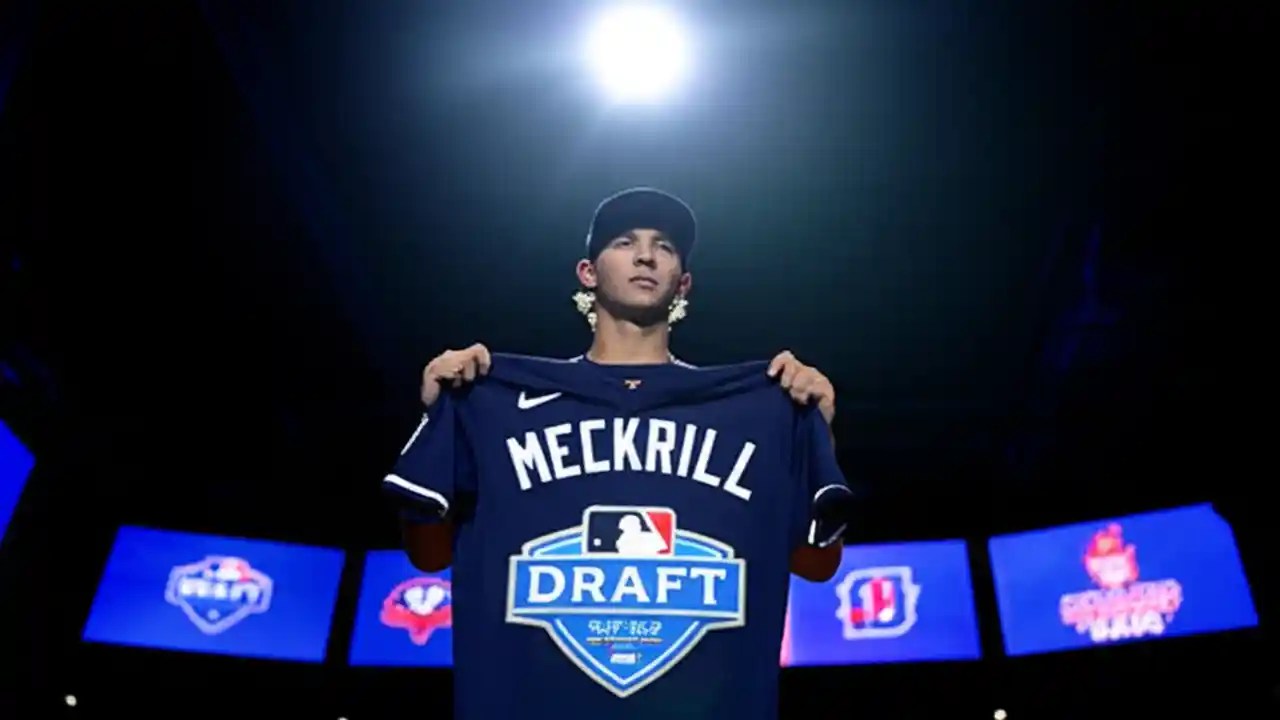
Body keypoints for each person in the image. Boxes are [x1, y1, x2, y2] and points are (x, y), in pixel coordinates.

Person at [384, 187, 854, 719]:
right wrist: (437, 415)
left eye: (665, 246)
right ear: (587, 272)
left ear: (684, 282)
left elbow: (817, 563)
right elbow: (429, 555)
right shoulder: (498, 398)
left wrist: (818, 430)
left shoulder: (760, 408)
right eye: (625, 241)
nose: (646, 255)